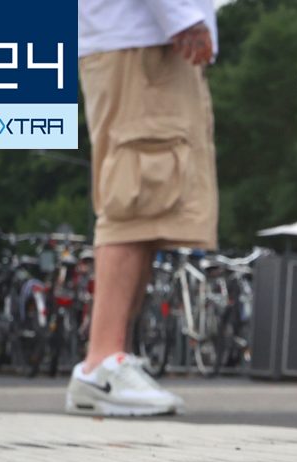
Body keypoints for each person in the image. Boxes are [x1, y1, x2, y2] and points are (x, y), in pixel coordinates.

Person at [66, 0, 219, 416]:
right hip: (139, 38)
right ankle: (102, 361)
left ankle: (110, 361)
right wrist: (181, 15)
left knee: (151, 203)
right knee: (135, 191)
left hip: (142, 36)